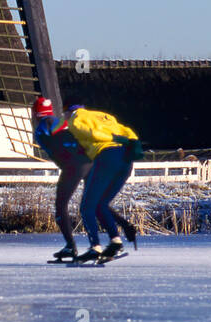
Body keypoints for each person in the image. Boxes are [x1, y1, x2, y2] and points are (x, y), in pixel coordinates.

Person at [32, 95, 135, 262]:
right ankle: (121, 229)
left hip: (74, 167)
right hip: (90, 163)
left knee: (62, 204)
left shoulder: (46, 123)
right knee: (96, 203)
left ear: (35, 113)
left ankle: (71, 247)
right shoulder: (60, 121)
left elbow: (61, 131)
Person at [63, 100, 141, 264]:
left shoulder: (75, 120)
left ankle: (95, 248)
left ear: (69, 111)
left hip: (107, 156)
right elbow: (128, 132)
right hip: (126, 160)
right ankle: (115, 242)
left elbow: (93, 134)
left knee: (86, 207)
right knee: (101, 204)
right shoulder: (105, 116)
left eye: (64, 114)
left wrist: (112, 138)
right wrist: (129, 140)